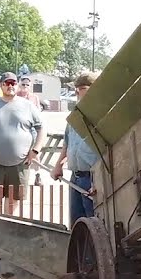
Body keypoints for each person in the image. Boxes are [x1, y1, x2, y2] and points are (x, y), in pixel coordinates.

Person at [0, 72, 43, 214]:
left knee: (12, 206)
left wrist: (35, 150)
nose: (10, 86)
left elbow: (41, 128)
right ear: (1, 85)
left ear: (17, 86)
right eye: (7, 83)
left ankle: (7, 231)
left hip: (20, 164)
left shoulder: (28, 106)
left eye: (13, 83)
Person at [52, 72, 99, 222]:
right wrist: (58, 165)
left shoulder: (101, 113)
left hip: (92, 178)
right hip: (75, 177)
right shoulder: (75, 114)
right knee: (77, 222)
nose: (76, 92)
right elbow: (67, 142)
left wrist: (100, 182)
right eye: (76, 89)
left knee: (93, 223)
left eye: (82, 88)